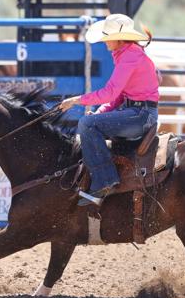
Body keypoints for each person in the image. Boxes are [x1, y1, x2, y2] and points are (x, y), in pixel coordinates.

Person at [59, 13, 160, 206]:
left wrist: (76, 100)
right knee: (90, 123)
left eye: (107, 38)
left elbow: (111, 92)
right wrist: (100, 113)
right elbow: (119, 96)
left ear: (119, 38)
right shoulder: (127, 54)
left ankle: (104, 181)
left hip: (140, 116)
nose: (104, 43)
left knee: (86, 124)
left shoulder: (129, 56)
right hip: (139, 113)